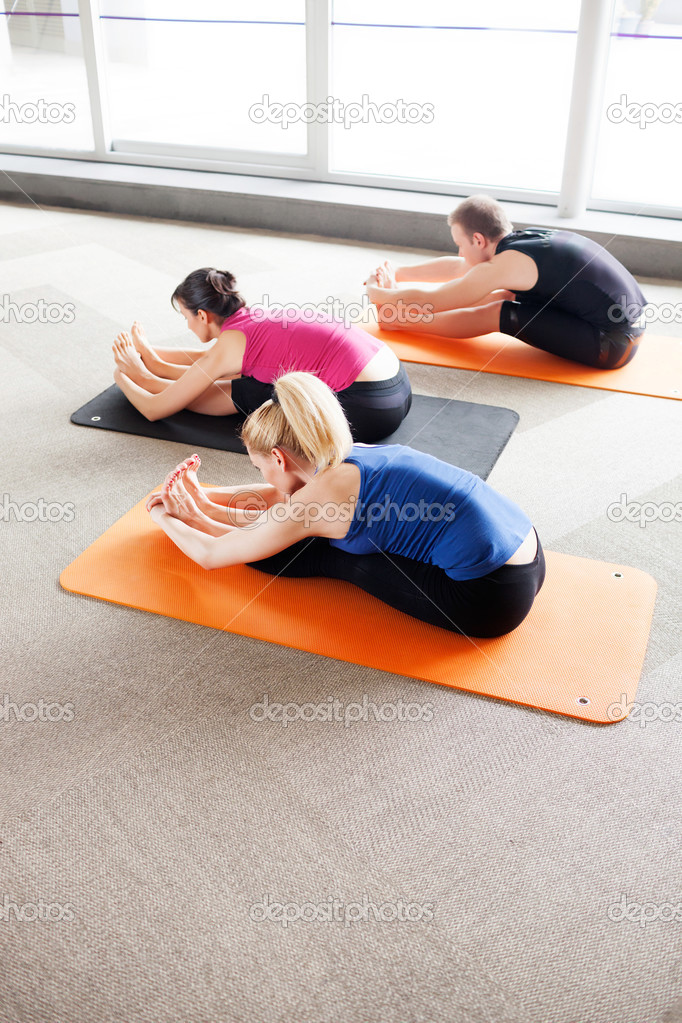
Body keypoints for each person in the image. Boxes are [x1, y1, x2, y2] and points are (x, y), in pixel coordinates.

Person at [146, 372, 545, 639]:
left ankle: (199, 515)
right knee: (301, 529)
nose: (261, 474)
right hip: (528, 550)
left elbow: (213, 554)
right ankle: (203, 512)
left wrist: (162, 513)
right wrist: (206, 496)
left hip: (490, 598)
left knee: (327, 554)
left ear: (280, 458)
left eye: (259, 466)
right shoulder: (345, 452)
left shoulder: (320, 498)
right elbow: (288, 495)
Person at [112, 267, 411, 442]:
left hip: (367, 409)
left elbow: (153, 411)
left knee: (257, 390)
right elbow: (208, 362)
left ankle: (150, 378)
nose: (187, 324)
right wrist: (152, 355)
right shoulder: (252, 319)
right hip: (396, 386)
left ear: (202, 316)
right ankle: (153, 371)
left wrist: (127, 376)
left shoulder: (230, 344)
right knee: (251, 376)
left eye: (186, 317)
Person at [365, 195, 647, 370]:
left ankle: (400, 321)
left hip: (613, 346)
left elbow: (440, 299)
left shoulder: (507, 263)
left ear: (478, 240)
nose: (460, 252)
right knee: (504, 294)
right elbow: (462, 268)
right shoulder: (522, 243)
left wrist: (379, 294)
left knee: (499, 310)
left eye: (460, 244)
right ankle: (400, 317)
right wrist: (398, 271)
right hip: (627, 324)